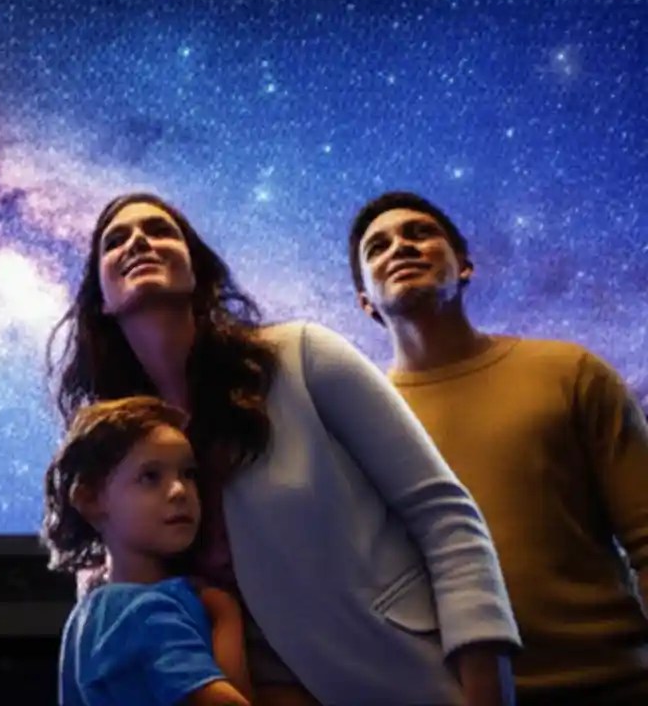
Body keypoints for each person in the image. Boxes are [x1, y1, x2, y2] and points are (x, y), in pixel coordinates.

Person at [47, 192, 521, 705]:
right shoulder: (111, 447)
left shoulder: (301, 356)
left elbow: (444, 514)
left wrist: (488, 685)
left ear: (198, 273)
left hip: (395, 673)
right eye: (116, 240)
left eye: (161, 231)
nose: (139, 241)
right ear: (100, 298)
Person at [350, 190, 648, 706]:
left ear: (464, 266)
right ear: (364, 301)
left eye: (420, 233)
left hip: (615, 684)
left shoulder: (569, 372)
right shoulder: (354, 421)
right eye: (377, 247)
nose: (400, 247)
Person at [42, 395, 252, 706]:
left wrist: (223, 614)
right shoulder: (140, 611)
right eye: (150, 477)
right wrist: (226, 615)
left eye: (188, 474)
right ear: (91, 501)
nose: (180, 490)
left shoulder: (87, 615)